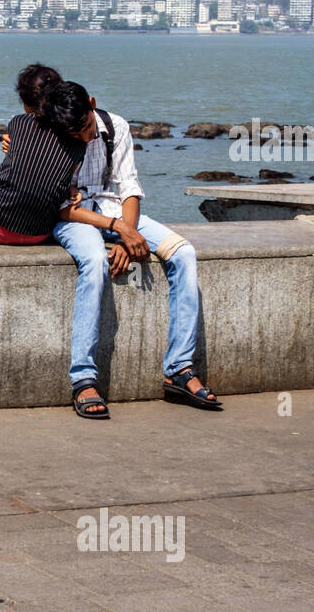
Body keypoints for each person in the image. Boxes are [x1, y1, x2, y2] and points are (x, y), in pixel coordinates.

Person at [47, 80, 220, 419]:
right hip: (77, 218)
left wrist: (127, 233)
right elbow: (58, 207)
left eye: (86, 128)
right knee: (95, 260)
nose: (84, 138)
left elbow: (128, 188)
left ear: (92, 104)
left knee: (184, 253)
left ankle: (179, 369)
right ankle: (83, 379)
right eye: (75, 134)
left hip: (115, 213)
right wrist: (120, 230)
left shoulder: (117, 127)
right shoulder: (53, 136)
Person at [0, 63, 86, 246]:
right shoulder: (76, 137)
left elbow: (10, 175)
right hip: (40, 233)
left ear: (25, 99)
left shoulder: (18, 123)